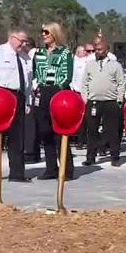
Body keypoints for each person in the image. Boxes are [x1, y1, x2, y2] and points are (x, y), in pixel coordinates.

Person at [0, 29, 32, 182]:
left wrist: (28, 100)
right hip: (1, 96)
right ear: (12, 37)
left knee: (18, 137)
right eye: (21, 40)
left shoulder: (25, 58)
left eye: (25, 41)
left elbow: (28, 82)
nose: (23, 44)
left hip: (19, 96)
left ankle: (17, 172)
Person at [30, 22, 77, 180]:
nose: (43, 35)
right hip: (42, 92)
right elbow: (35, 72)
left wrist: (59, 89)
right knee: (45, 132)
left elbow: (67, 75)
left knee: (60, 132)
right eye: (42, 32)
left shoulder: (65, 53)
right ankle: (51, 168)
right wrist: (36, 86)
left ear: (54, 34)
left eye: (47, 32)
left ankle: (67, 169)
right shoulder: (39, 53)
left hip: (58, 93)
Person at [80, 36, 126, 166]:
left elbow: (121, 83)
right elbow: (85, 83)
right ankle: (90, 157)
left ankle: (115, 156)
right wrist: (85, 98)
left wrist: (119, 99)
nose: (98, 51)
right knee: (92, 130)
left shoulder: (115, 65)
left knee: (111, 130)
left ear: (106, 50)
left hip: (110, 101)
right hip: (94, 101)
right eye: (96, 49)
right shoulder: (90, 65)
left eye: (100, 49)